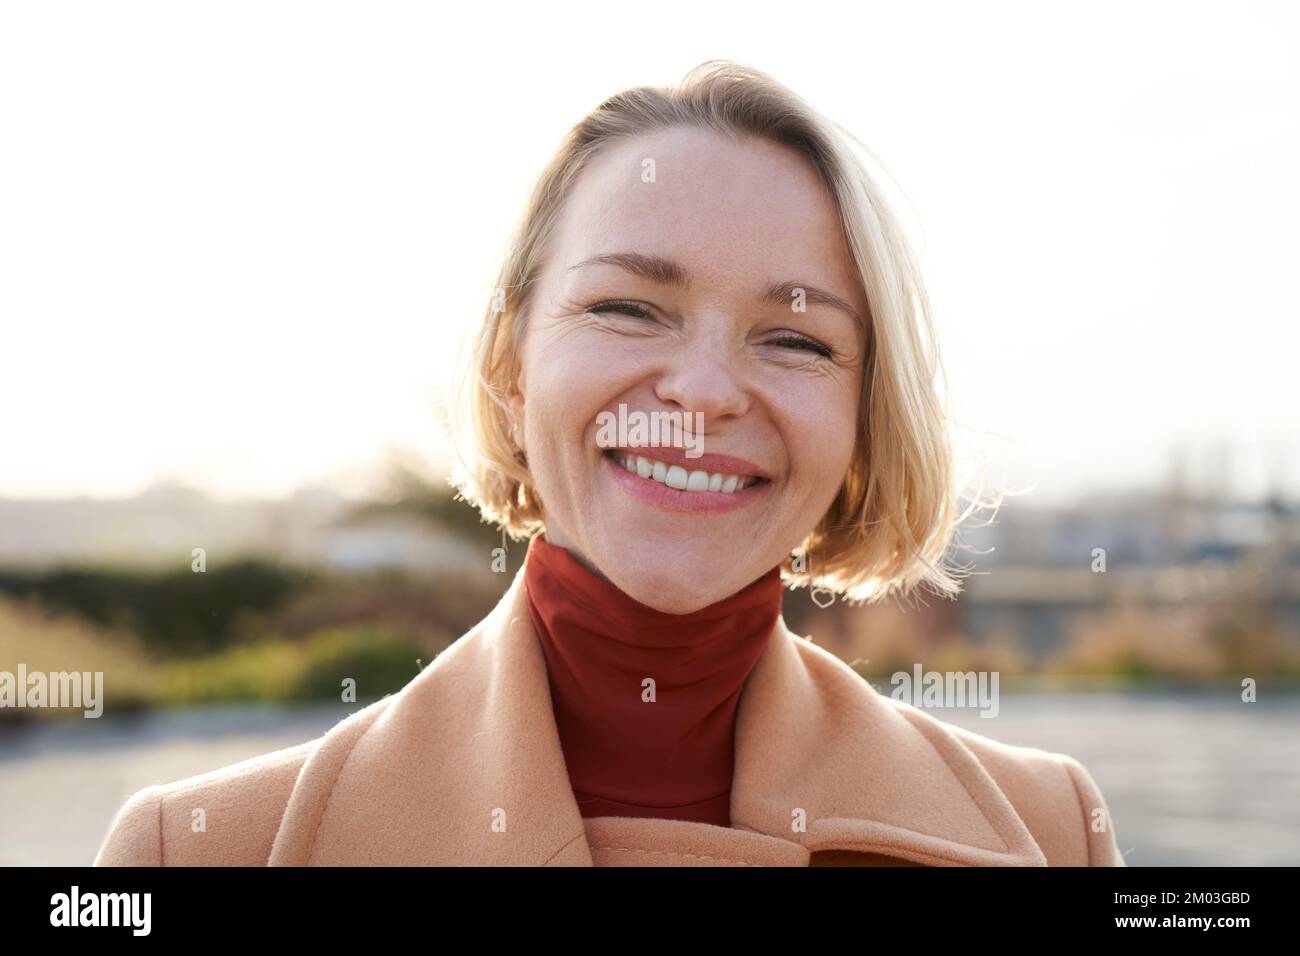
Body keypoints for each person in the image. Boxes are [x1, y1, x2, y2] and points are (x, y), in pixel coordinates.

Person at [95, 60, 1124, 867]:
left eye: (797, 338)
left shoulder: (1046, 831)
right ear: (511, 365)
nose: (706, 391)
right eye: (629, 307)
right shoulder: (195, 851)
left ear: (861, 419)